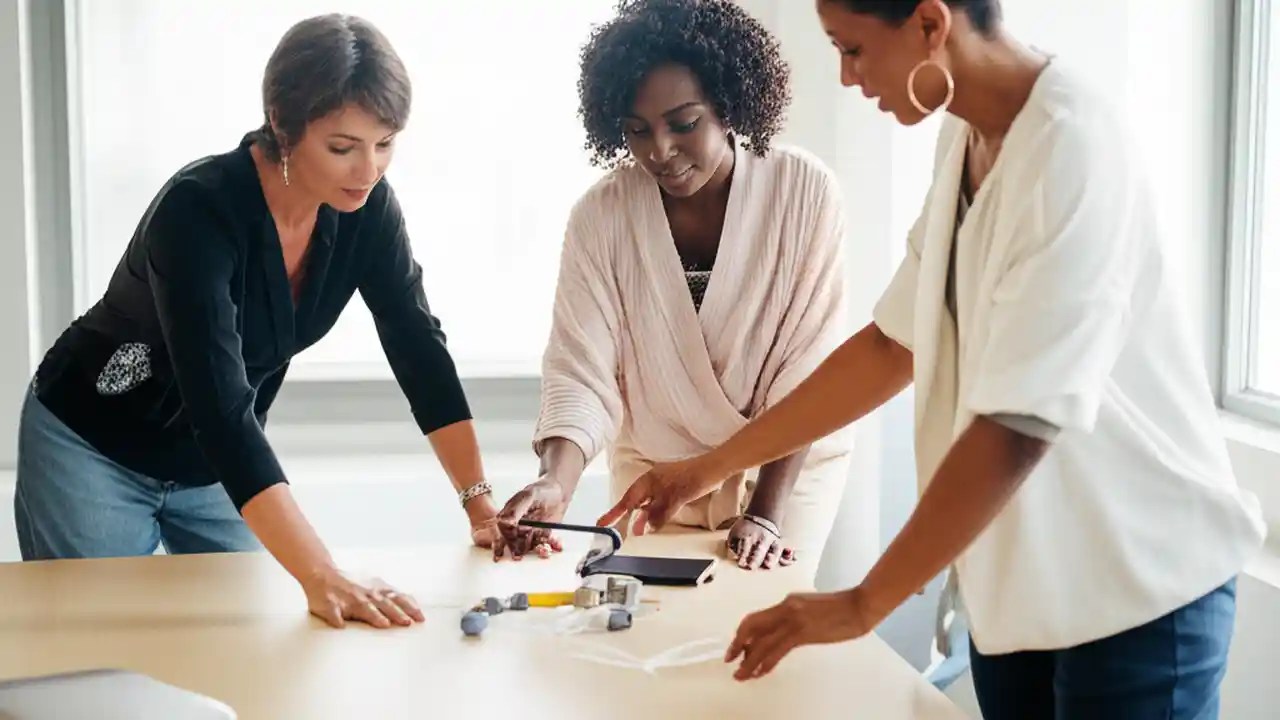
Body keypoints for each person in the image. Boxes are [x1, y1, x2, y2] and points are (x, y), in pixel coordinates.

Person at [598, 1, 1268, 717]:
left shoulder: (1073, 146)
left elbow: (1018, 424)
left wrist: (863, 604)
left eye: (852, 49)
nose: (847, 77)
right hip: (1024, 589)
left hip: (1138, 583)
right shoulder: (966, 136)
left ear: (929, 24)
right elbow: (893, 344)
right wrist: (706, 469)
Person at [14, 14, 501, 630]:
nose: (369, 170)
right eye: (343, 147)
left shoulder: (368, 210)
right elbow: (218, 404)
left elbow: (418, 346)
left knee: (250, 643)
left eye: (385, 144)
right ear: (282, 123)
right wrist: (323, 571)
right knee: (99, 649)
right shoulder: (198, 211)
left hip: (215, 467)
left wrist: (479, 505)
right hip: (93, 446)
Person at [493, 0, 863, 575]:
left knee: (760, 612)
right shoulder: (601, 216)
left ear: (729, 105)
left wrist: (766, 515)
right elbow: (581, 369)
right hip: (653, 467)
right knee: (651, 620)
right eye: (637, 131)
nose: (659, 151)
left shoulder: (804, 192)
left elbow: (808, 366)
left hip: (782, 470)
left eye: (684, 124)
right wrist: (555, 483)